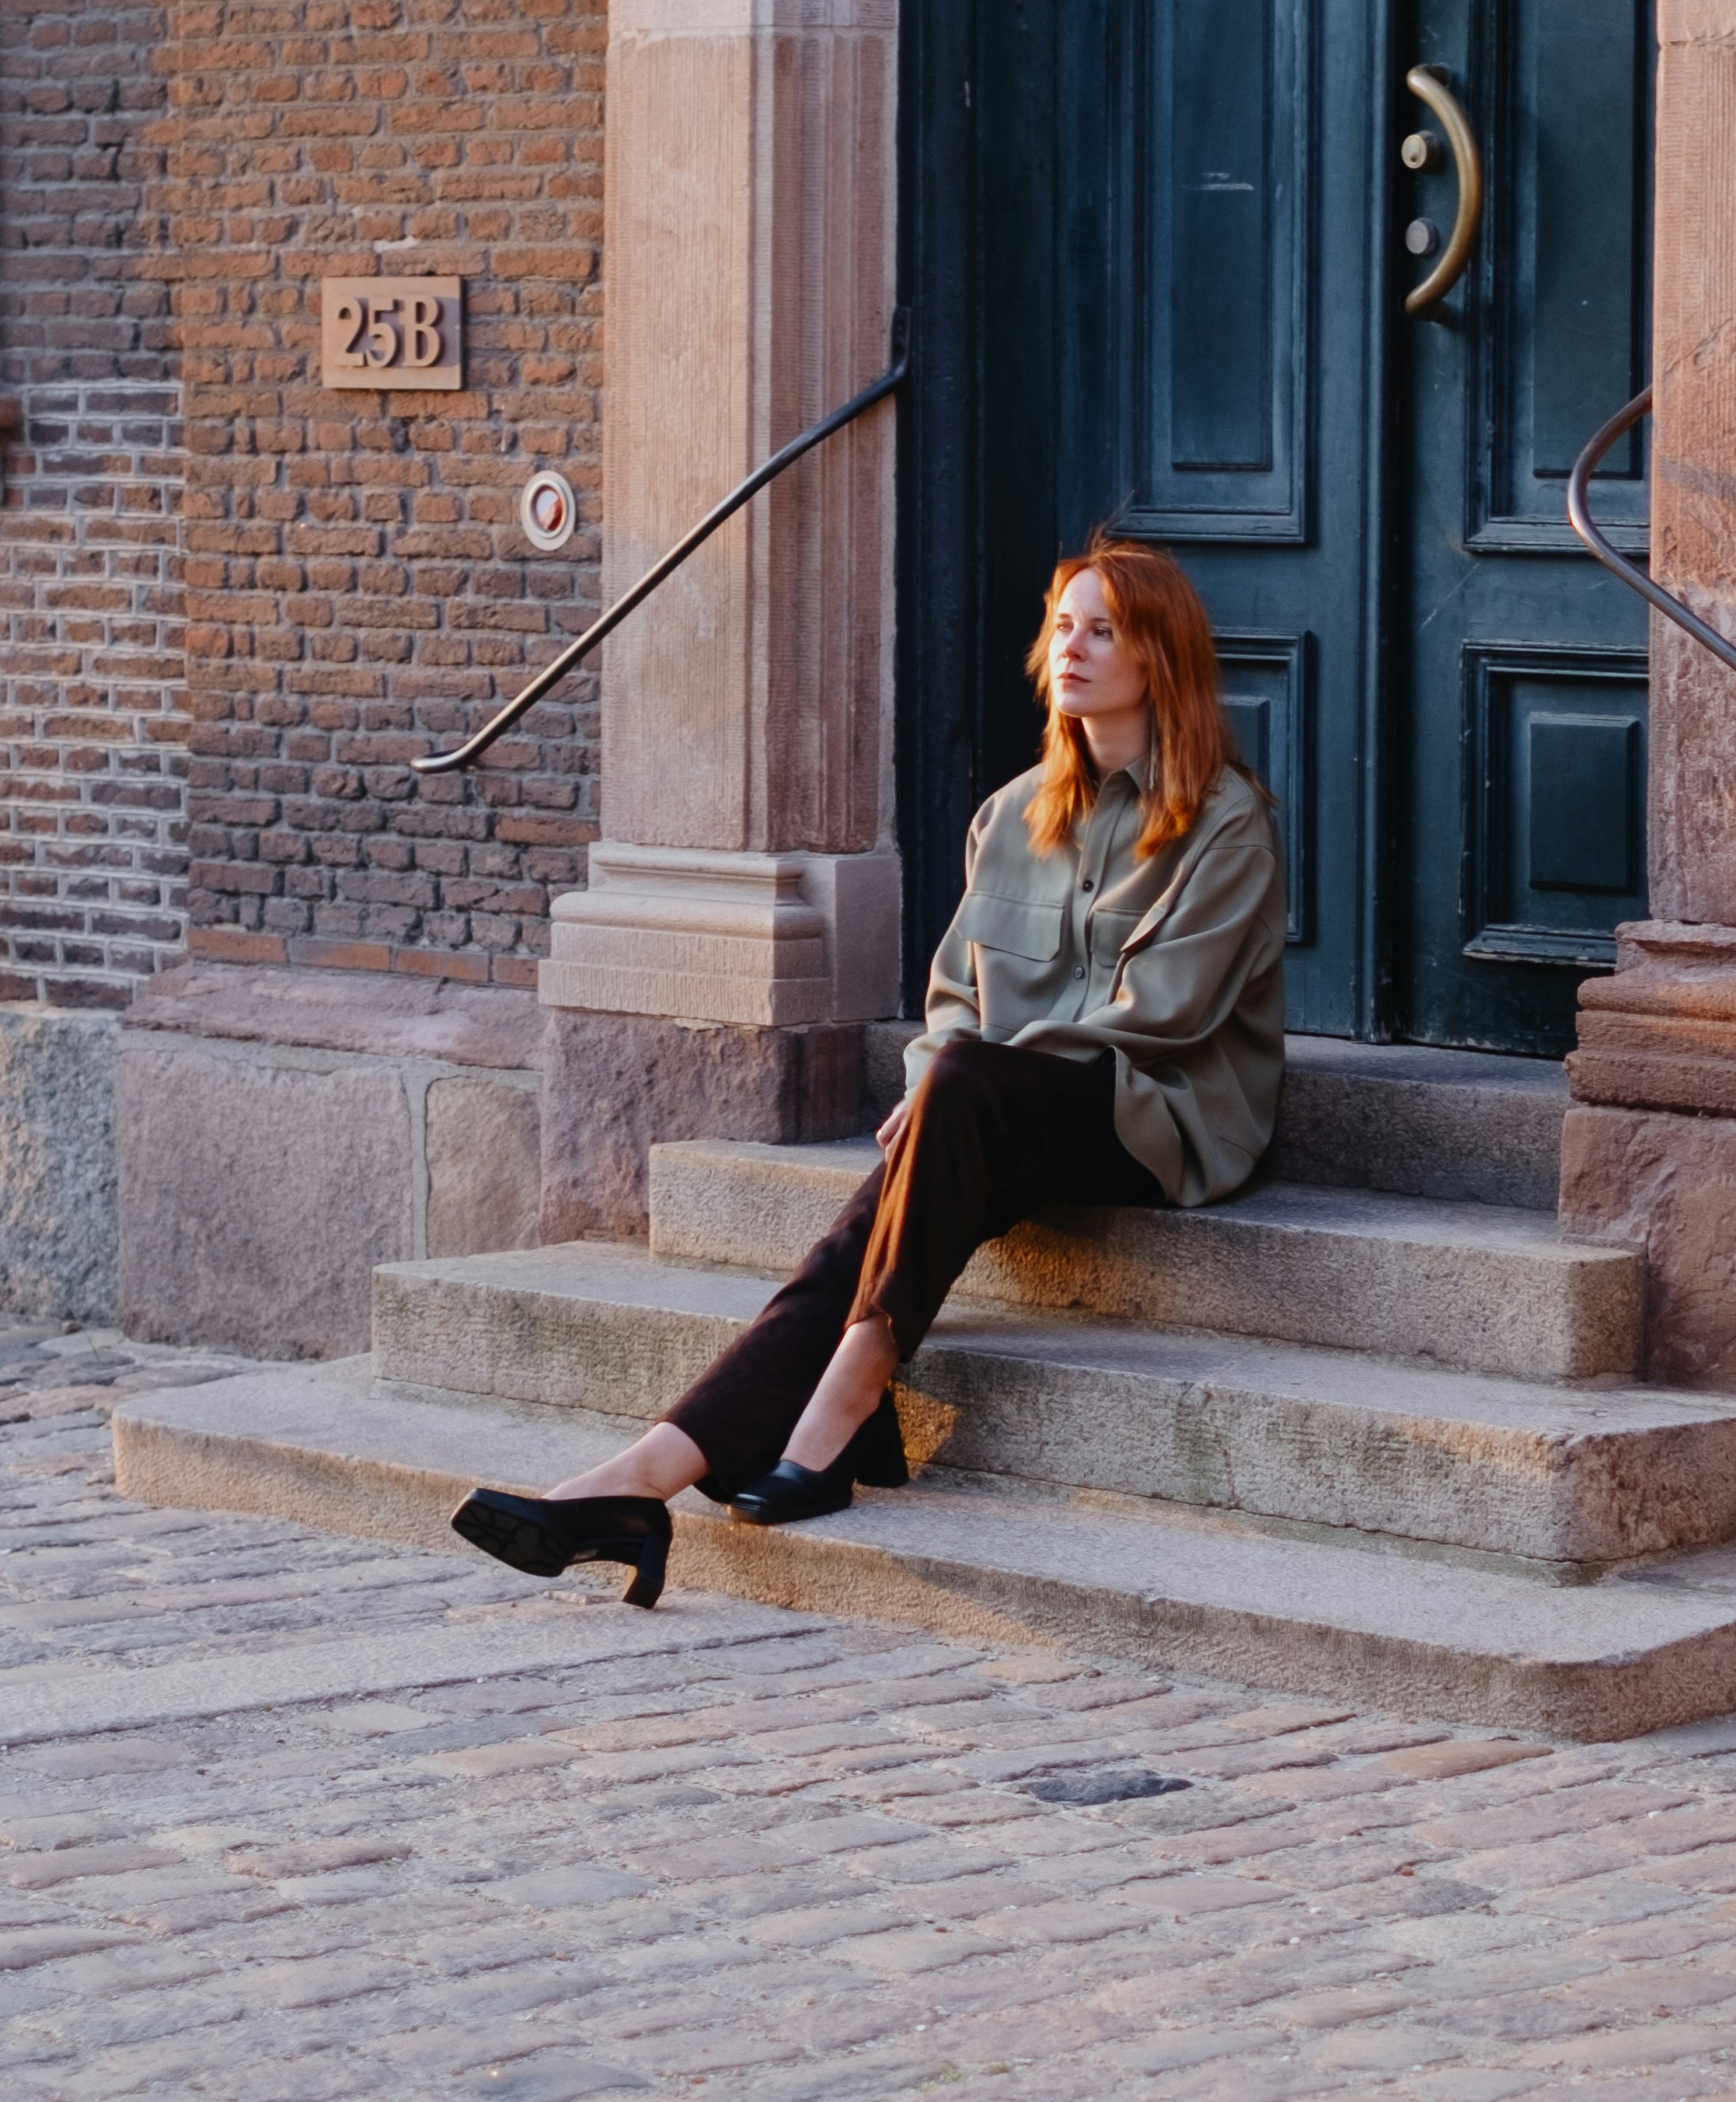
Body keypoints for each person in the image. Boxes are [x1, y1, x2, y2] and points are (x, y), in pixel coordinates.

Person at [446, 536, 1288, 1606]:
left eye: (1104, 629)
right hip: (990, 1113)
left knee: (960, 1094)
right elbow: (953, 999)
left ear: (1160, 656)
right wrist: (939, 1078)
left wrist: (957, 1083)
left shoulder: (1227, 824)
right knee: (886, 1193)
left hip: (1160, 1116)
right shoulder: (1012, 815)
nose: (1070, 648)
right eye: (1062, 625)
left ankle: (841, 1396)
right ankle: (646, 1474)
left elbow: (1163, 1015)